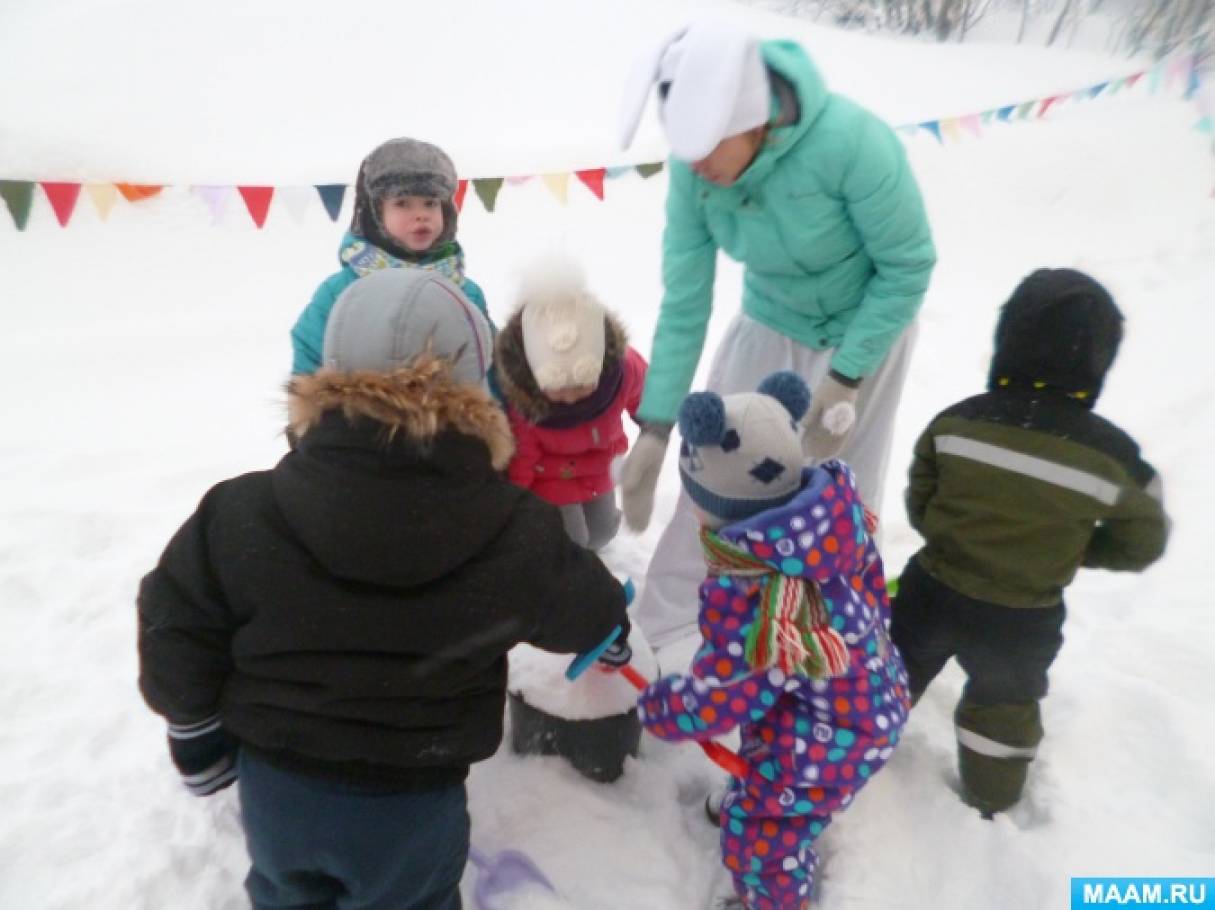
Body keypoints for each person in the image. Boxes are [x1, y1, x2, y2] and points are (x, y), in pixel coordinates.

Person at [137, 268, 630, 909]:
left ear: (330, 373)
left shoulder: (242, 512)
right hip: (411, 806)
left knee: (285, 894)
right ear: (474, 386)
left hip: (278, 790)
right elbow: (577, 601)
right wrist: (610, 631)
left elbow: (176, 616)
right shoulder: (511, 526)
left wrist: (197, 731)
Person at [616, 21, 937, 648]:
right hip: (770, 322)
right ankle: (669, 629)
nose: (697, 166)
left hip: (865, 333)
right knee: (716, 471)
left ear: (751, 120)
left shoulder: (853, 142)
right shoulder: (695, 168)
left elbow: (907, 267)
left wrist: (845, 379)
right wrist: (656, 428)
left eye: (708, 148)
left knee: (837, 488)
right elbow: (685, 301)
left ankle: (821, 633)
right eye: (686, 152)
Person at [889, 268, 1169, 817]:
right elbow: (1144, 538)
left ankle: (855, 740)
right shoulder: (1112, 456)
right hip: (1022, 618)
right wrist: (1071, 549)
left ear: (1007, 343)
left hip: (933, 588)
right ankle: (992, 794)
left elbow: (922, 500)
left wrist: (954, 533)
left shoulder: (957, 423)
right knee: (1004, 705)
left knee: (895, 666)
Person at [634, 371, 909, 910]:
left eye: (697, 500)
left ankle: (777, 897)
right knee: (770, 775)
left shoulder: (753, 590)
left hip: (837, 731)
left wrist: (664, 707)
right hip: (871, 688)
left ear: (719, 505)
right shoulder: (825, 527)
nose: (692, 511)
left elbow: (724, 697)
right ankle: (762, 797)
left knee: (763, 836)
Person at [290, 136, 495, 383]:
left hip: (450, 419)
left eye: (430, 203)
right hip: (363, 417)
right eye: (402, 203)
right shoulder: (339, 292)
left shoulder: (465, 293)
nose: (421, 215)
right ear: (374, 214)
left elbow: (489, 369)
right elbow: (309, 364)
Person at [494, 254, 647, 550]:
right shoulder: (525, 402)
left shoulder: (621, 372)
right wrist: (515, 506)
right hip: (548, 482)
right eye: (558, 387)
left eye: (581, 383)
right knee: (572, 542)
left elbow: (648, 392)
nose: (571, 396)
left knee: (602, 533)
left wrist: (653, 425)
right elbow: (522, 459)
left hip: (599, 470)